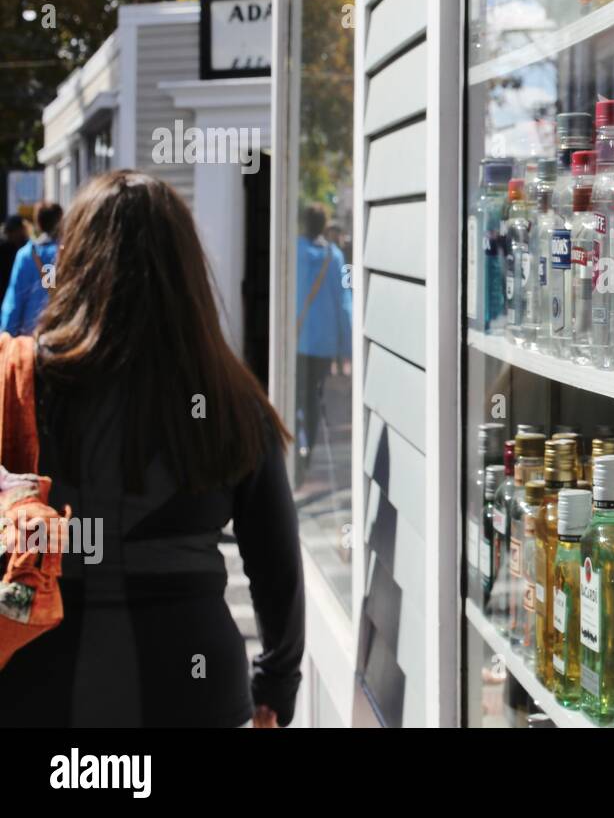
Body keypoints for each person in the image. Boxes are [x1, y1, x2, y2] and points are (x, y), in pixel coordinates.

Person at [0, 172, 304, 727]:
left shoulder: (17, 383)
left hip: (41, 675)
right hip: (192, 679)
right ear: (187, 270)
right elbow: (276, 565)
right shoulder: (230, 400)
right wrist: (276, 683)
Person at [295, 203, 352, 477]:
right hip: (324, 343)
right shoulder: (335, 257)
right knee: (313, 398)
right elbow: (344, 302)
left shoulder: (292, 251)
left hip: (295, 339)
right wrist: (346, 346)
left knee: (295, 396)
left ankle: (296, 448)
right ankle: (306, 455)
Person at [1, 202, 61, 336]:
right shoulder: (65, 253)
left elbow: (14, 300)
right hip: (58, 331)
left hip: (29, 334)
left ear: (37, 223)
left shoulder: (26, 254)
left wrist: (7, 333)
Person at [0, 216, 29, 298]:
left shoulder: (30, 249)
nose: (9, 235)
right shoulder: (4, 249)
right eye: (8, 232)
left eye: (11, 231)